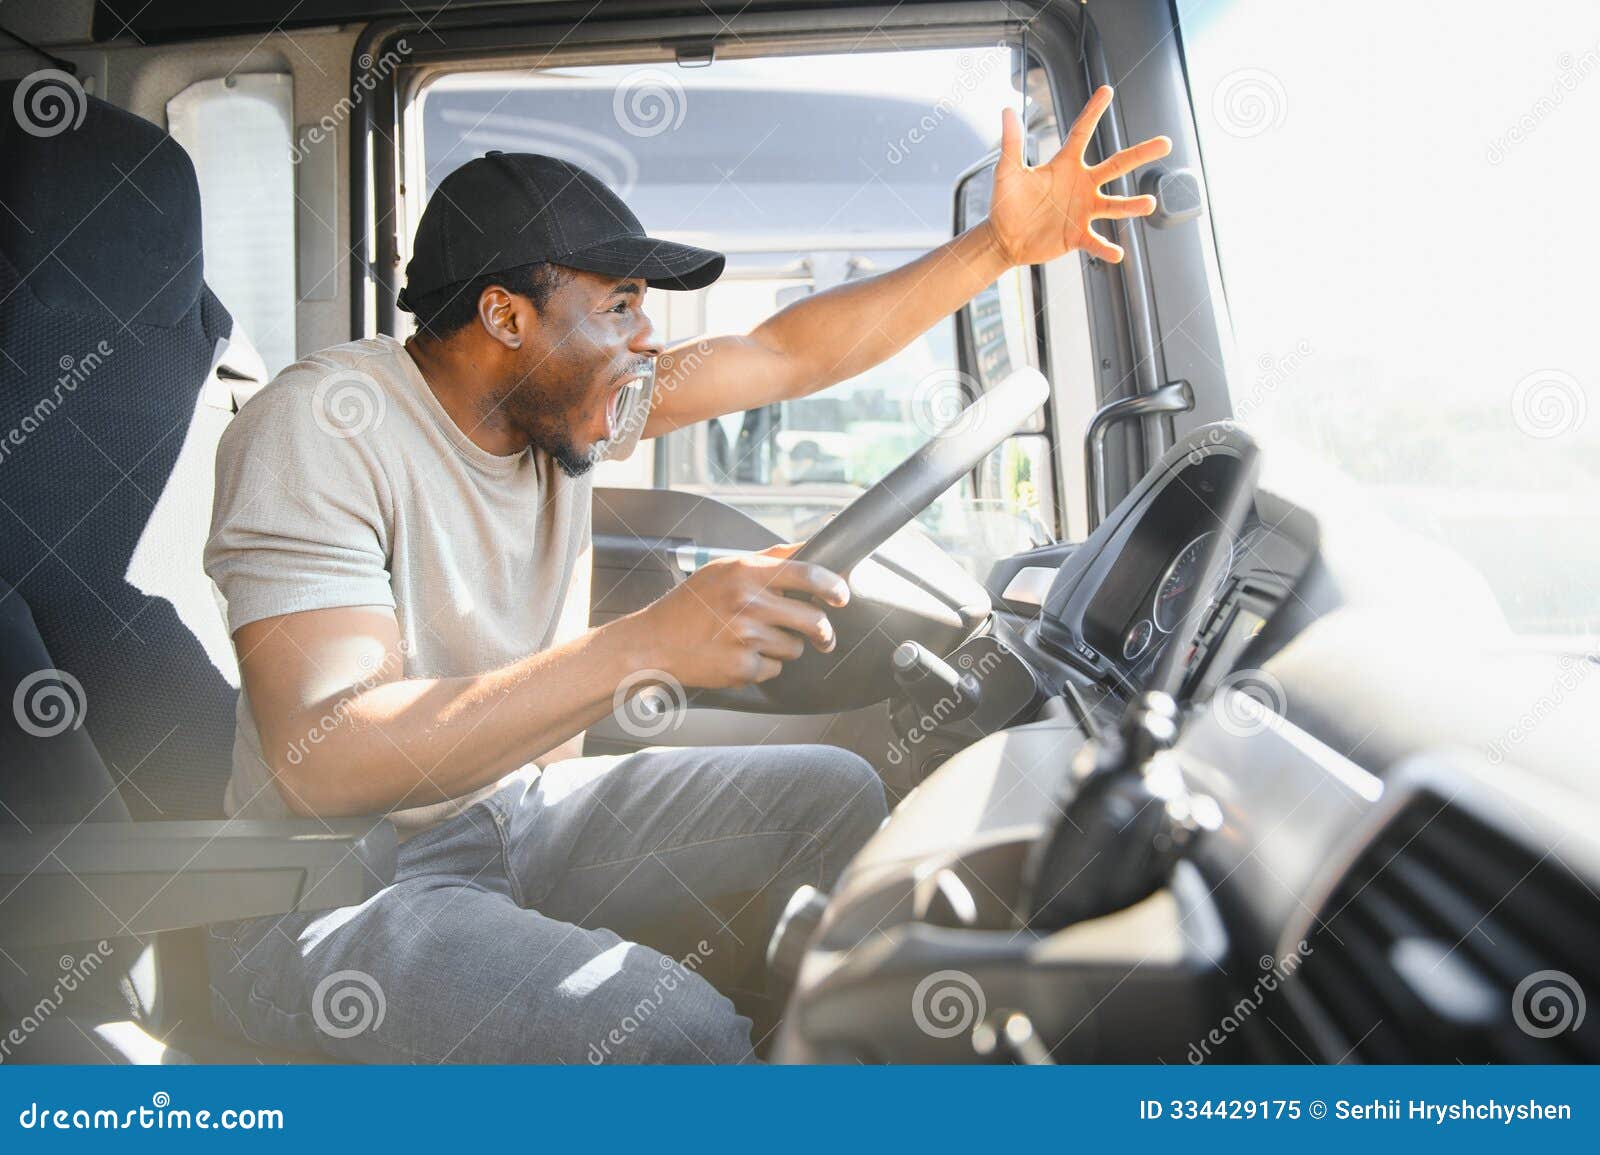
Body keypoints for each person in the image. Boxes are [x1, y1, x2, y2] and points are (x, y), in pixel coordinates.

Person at [203, 88, 1169, 1063]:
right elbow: (325, 760)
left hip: (506, 815)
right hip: (332, 893)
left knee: (833, 797)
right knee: (678, 1035)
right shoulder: (327, 428)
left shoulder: (558, 401)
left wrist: (996, 249)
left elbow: (777, 355)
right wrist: (648, 644)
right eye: (618, 306)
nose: (647, 339)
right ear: (503, 316)